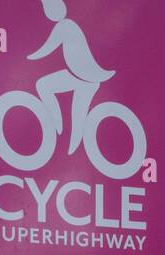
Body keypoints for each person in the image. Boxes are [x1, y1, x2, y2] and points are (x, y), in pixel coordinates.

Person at [29, 0, 115, 156]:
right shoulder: (66, 25)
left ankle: (63, 134)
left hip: (85, 79)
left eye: (50, 8)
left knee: (77, 114)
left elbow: (47, 48)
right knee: (44, 85)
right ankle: (58, 126)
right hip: (77, 75)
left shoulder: (66, 25)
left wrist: (30, 57)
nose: (49, 13)